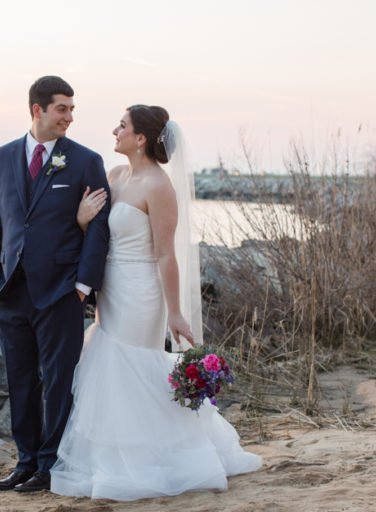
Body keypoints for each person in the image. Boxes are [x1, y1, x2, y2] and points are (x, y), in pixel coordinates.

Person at [50, 105, 263, 501]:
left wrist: (176, 312)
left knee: (129, 368)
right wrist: (81, 221)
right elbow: (97, 234)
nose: (115, 130)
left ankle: (145, 464)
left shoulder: (159, 186)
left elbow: (167, 254)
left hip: (142, 292)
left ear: (141, 138)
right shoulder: (113, 176)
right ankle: (109, 462)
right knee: (106, 364)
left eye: (123, 125)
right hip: (109, 288)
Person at [0, 76, 111, 492]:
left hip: (60, 293)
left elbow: (99, 229)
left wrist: (82, 286)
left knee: (58, 383)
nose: (69, 117)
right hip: (11, 294)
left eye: (72, 110)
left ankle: (51, 466)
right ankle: (25, 461)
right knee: (20, 380)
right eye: (62, 109)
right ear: (38, 110)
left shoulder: (86, 161)